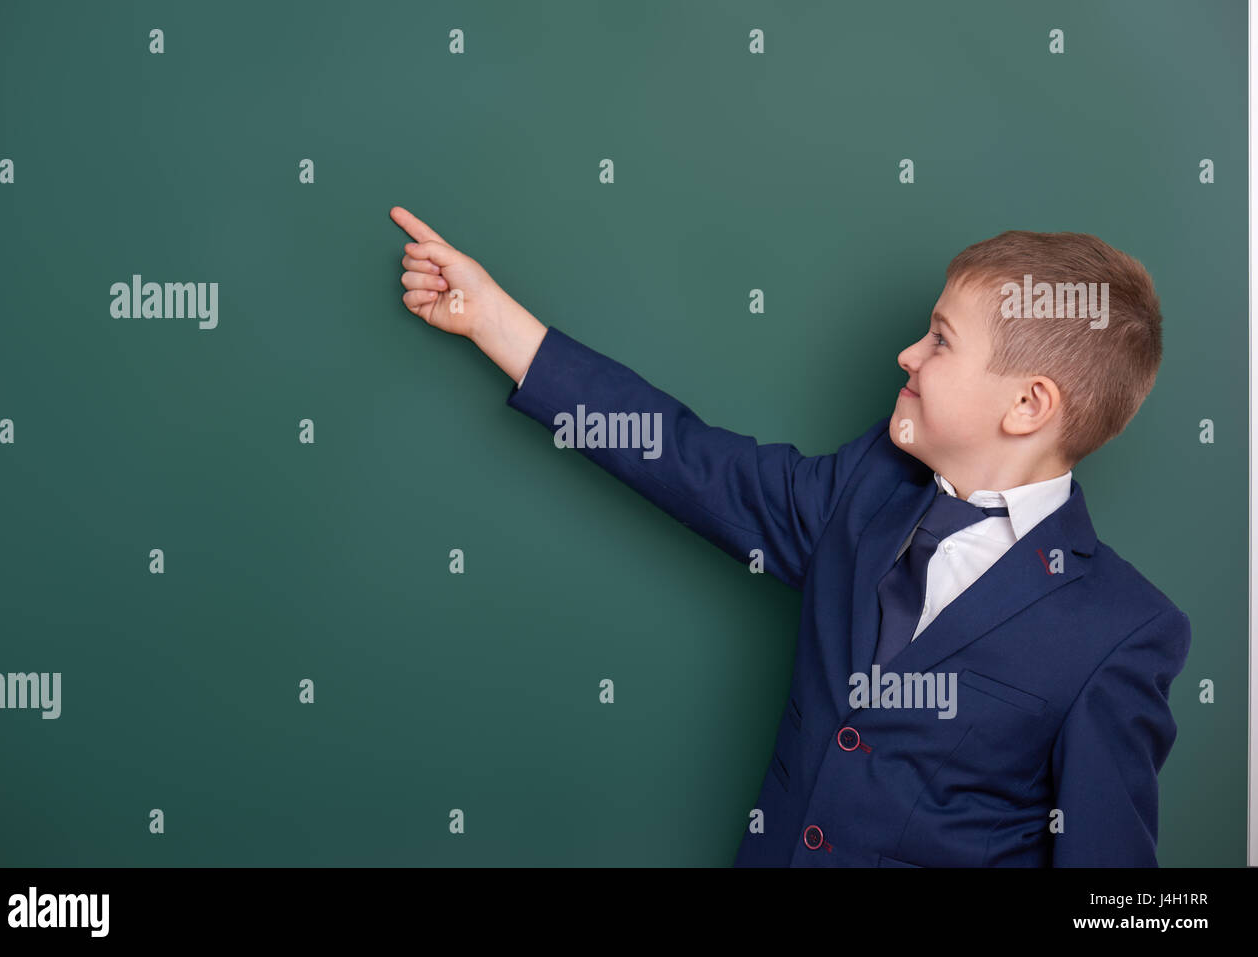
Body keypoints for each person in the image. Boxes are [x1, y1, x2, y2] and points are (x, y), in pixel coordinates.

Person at [389, 206, 1190, 867]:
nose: (907, 353)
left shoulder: (1119, 630)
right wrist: (497, 321)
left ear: (1028, 406)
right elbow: (684, 457)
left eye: (941, 339)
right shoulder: (863, 491)